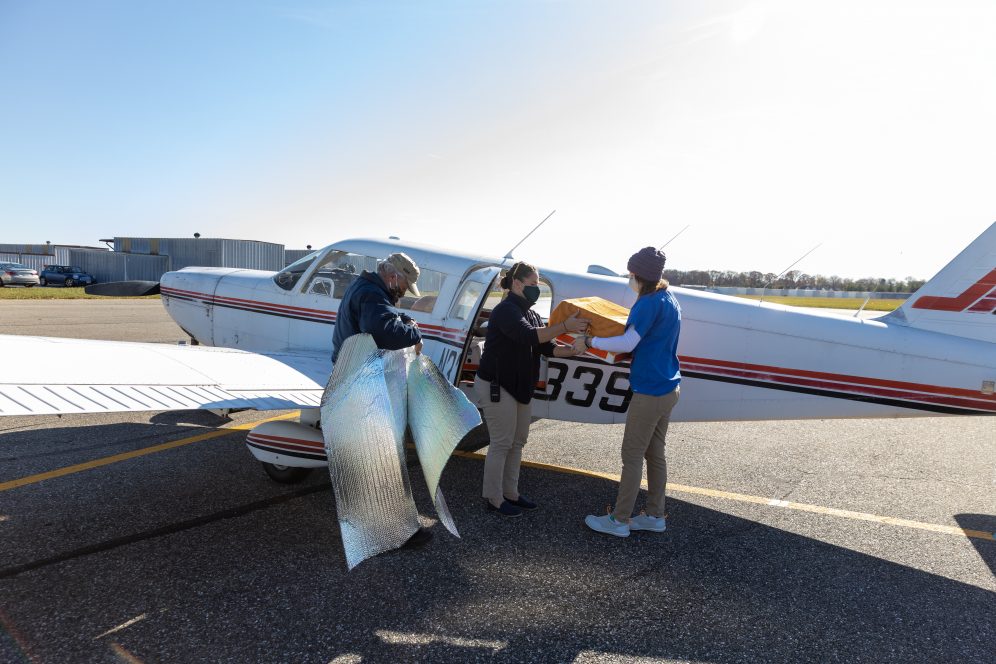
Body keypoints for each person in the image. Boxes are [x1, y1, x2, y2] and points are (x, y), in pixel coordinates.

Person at [579, 247, 681, 537]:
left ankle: (619, 520)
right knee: (655, 454)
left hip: (649, 391)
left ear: (638, 275)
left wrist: (589, 340)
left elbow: (627, 342)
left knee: (632, 456)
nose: (629, 278)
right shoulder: (669, 298)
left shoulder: (648, 302)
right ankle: (655, 515)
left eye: (631, 273)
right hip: (670, 386)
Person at [330, 251, 430, 548]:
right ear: (393, 276)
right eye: (403, 285)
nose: (402, 292)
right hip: (363, 385)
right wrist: (413, 331)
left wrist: (401, 318)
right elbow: (385, 331)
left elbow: (380, 323)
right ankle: (389, 534)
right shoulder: (372, 295)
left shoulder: (365, 289)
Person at [474, 261, 589, 518]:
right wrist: (566, 327)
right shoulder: (505, 311)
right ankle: (493, 498)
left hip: (520, 387)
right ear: (516, 284)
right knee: (502, 442)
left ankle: (510, 493)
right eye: (533, 284)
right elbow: (528, 337)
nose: (537, 290)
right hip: (498, 385)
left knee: (517, 442)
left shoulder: (531, 312)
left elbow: (546, 347)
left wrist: (571, 351)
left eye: (538, 285)